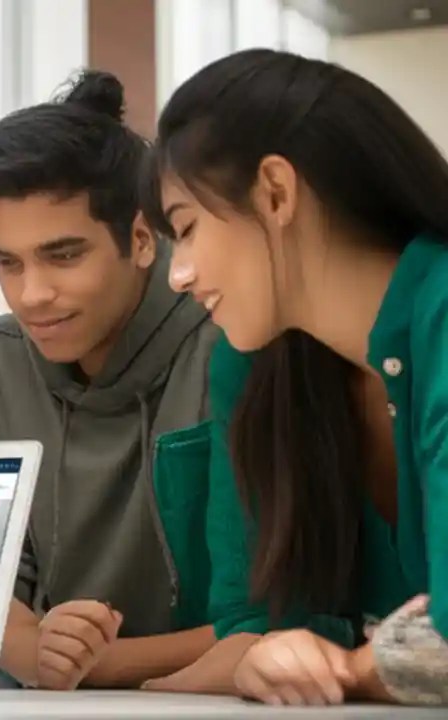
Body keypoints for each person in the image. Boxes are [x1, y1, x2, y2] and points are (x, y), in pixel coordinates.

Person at [140, 48, 448, 706]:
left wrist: (336, 669)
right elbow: (252, 623)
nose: (179, 274)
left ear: (276, 191)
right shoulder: (257, 366)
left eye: (187, 228)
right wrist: (271, 654)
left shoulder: (443, 307)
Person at [0, 70, 218, 690]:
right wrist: (34, 651)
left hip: (218, 696)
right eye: (8, 263)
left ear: (144, 239)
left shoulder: (230, 344)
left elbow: (278, 611)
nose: (32, 295)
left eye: (63, 256)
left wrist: (101, 664)